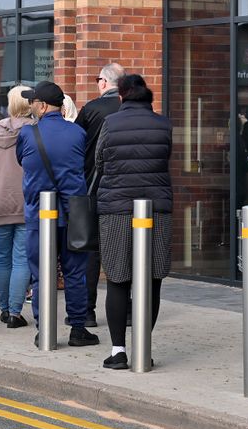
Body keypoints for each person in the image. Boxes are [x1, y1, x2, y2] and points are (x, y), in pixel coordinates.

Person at [95, 74, 170, 368]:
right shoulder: (164, 124)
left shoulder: (110, 123)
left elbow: (100, 161)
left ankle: (118, 351)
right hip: (157, 210)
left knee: (117, 277)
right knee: (152, 278)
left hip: (116, 209)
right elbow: (164, 159)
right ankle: (143, 346)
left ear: (122, 96)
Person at [17, 80, 98, 348]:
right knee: (75, 272)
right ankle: (77, 328)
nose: (31, 106)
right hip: (72, 213)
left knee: (42, 273)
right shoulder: (77, 133)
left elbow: (23, 161)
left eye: (33, 102)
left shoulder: (28, 134)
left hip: (40, 213)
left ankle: (44, 329)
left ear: (41, 106)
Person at [74, 61, 124, 327]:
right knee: (124, 250)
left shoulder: (91, 109)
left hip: (93, 186)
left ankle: (88, 311)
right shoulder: (129, 110)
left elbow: (76, 145)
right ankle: (127, 311)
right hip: (124, 191)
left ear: (104, 82)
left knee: (91, 251)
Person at [0, 85, 33, 328]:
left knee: (2, 260)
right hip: (25, 202)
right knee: (21, 259)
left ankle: (3, 308)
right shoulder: (35, 130)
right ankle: (14, 312)